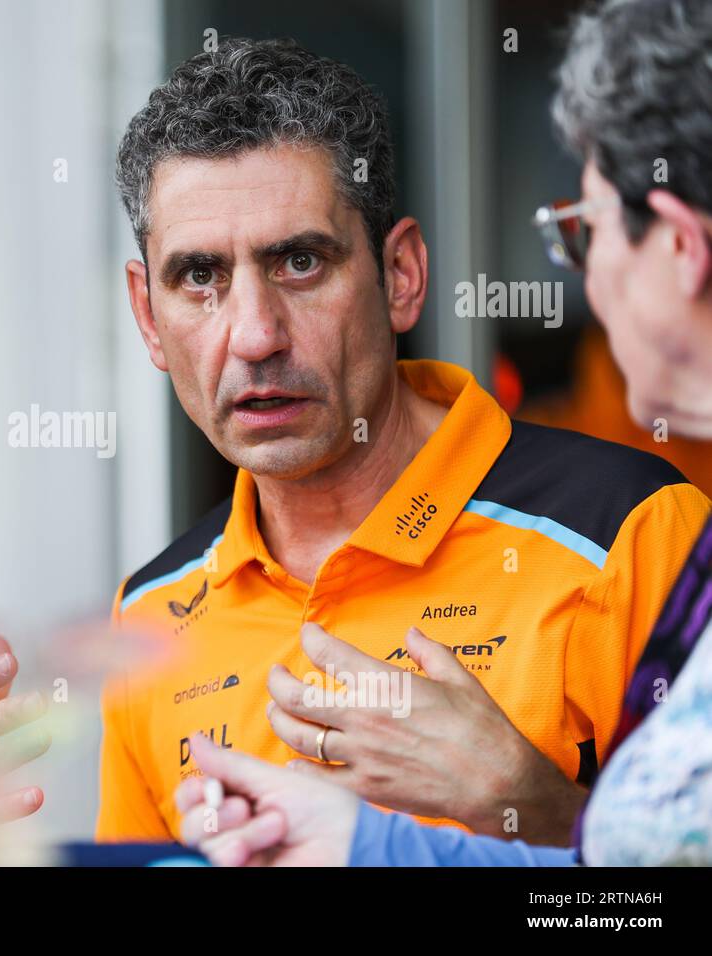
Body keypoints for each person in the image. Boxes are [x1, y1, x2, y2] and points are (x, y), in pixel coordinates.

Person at [90, 34, 711, 847]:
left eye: (300, 262)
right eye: (199, 278)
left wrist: (529, 803)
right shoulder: (146, 617)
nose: (253, 335)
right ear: (147, 315)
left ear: (403, 276)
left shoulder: (635, 534)